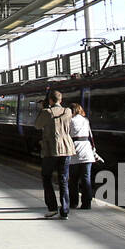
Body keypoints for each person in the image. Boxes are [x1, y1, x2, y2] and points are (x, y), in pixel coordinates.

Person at [34, 90, 75, 218]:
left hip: (51, 149)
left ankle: (52, 208)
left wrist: (43, 109)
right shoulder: (68, 111)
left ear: (50, 100)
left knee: (47, 177)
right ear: (60, 100)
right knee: (63, 179)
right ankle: (65, 210)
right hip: (67, 148)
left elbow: (37, 125)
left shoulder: (47, 112)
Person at [67, 102, 97, 210]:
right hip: (87, 152)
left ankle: (73, 203)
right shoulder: (86, 120)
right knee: (86, 179)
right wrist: (94, 151)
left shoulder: (70, 121)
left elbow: (67, 135)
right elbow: (91, 137)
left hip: (74, 152)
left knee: (73, 180)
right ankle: (86, 204)